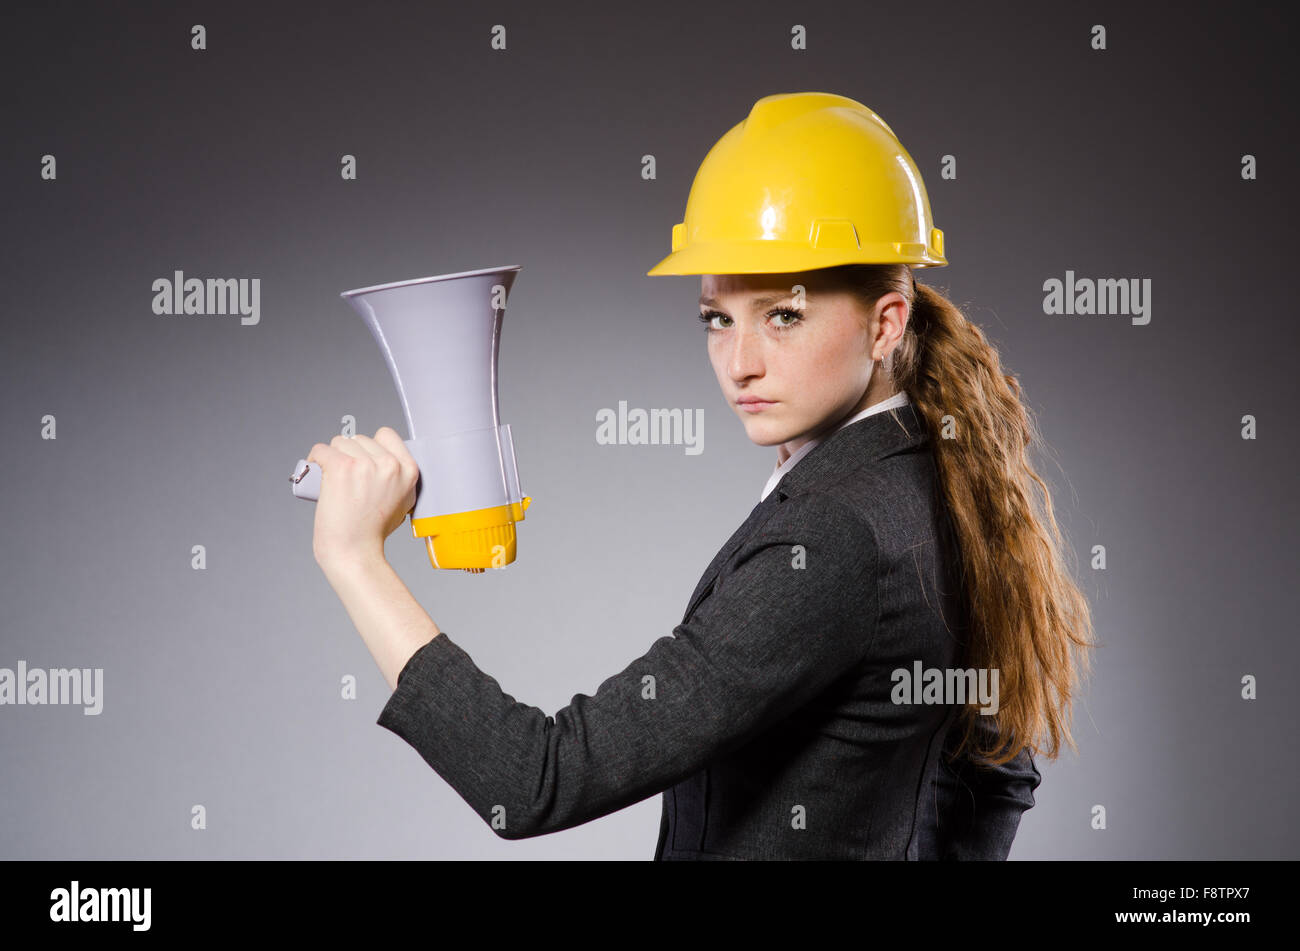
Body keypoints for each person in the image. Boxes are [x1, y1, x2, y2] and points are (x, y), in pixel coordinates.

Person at [307, 91, 1095, 859]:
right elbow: (1001, 766)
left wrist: (355, 560)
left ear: (886, 321)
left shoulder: (832, 535)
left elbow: (535, 779)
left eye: (783, 315)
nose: (740, 363)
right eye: (718, 318)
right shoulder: (936, 478)